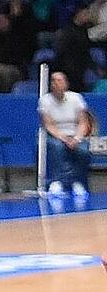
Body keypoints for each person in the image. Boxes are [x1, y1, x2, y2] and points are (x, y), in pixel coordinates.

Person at [40, 69, 94, 199]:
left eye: (59, 81)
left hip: (75, 134)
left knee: (83, 151)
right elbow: (48, 125)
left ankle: (78, 183)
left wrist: (77, 138)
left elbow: (83, 122)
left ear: (66, 83)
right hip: (56, 135)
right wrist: (64, 138)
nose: (56, 83)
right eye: (53, 81)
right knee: (57, 147)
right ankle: (58, 182)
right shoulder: (45, 100)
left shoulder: (76, 98)